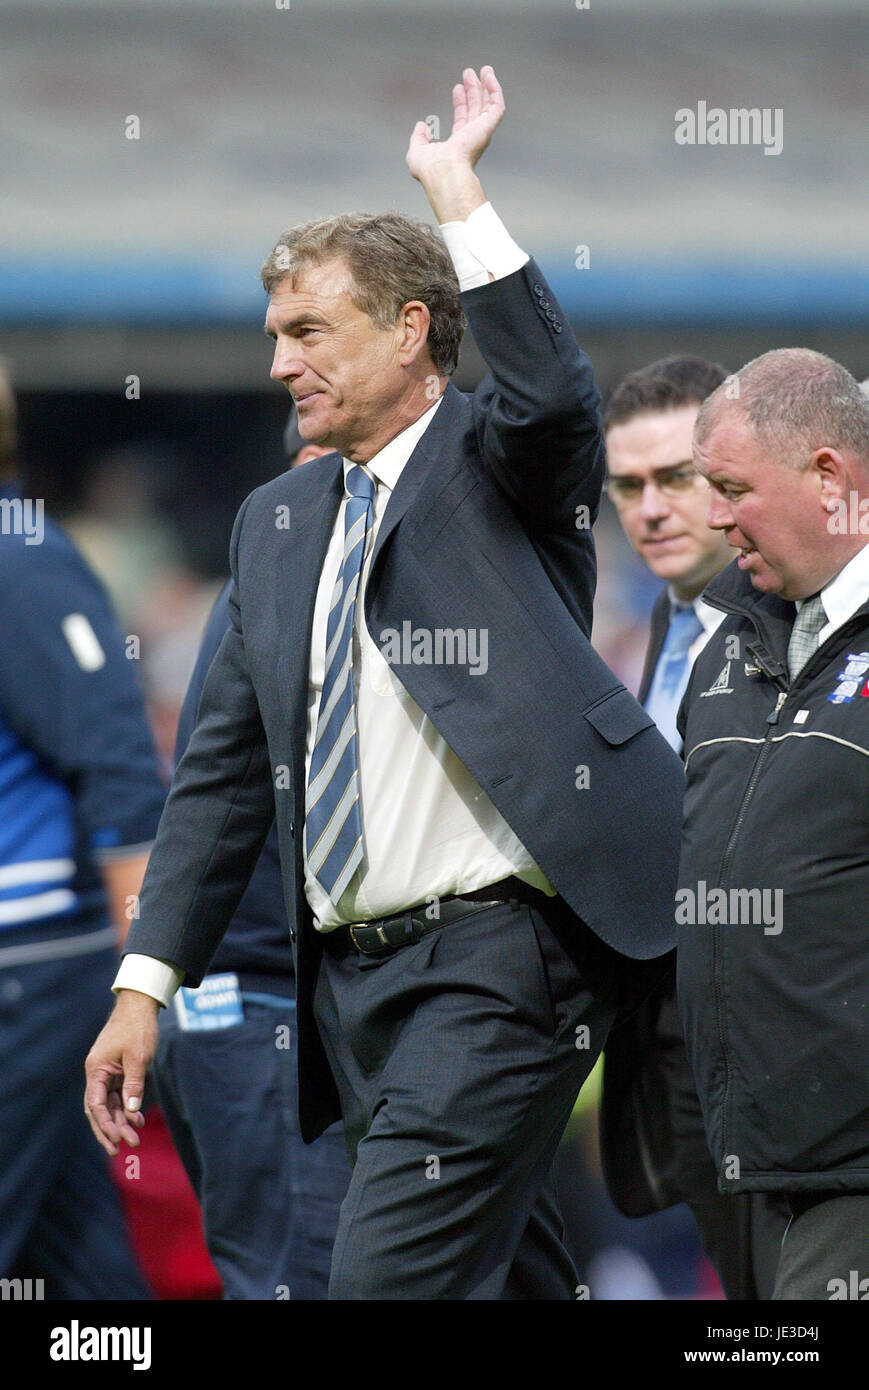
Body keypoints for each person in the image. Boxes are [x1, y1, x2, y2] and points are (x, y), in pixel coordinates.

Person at [85, 66, 684, 1300]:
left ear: (410, 330)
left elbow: (551, 395)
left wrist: (455, 196)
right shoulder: (274, 520)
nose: (279, 366)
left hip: (497, 968)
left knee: (375, 1287)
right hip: (349, 990)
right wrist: (145, 982)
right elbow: (216, 779)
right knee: (506, 1282)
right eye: (273, 338)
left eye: (308, 333)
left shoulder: (495, 461)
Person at [674, 347, 869, 1300]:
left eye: (730, 487)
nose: (713, 516)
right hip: (750, 1162)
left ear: (827, 478)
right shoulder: (728, 645)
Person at [600, 356, 789, 1299]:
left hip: (783, 1036)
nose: (651, 510)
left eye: (676, 478)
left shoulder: (809, 631)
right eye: (627, 487)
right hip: (680, 1032)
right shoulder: (656, 626)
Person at [151, 417, 350, 1300]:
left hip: (252, 1015)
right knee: (294, 1283)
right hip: (260, 1009)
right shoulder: (284, 596)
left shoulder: (291, 592)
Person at [0, 365, 164, 1299]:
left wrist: (137, 1000)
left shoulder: (20, 556)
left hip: (28, 963)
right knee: (83, 1275)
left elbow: (121, 776)